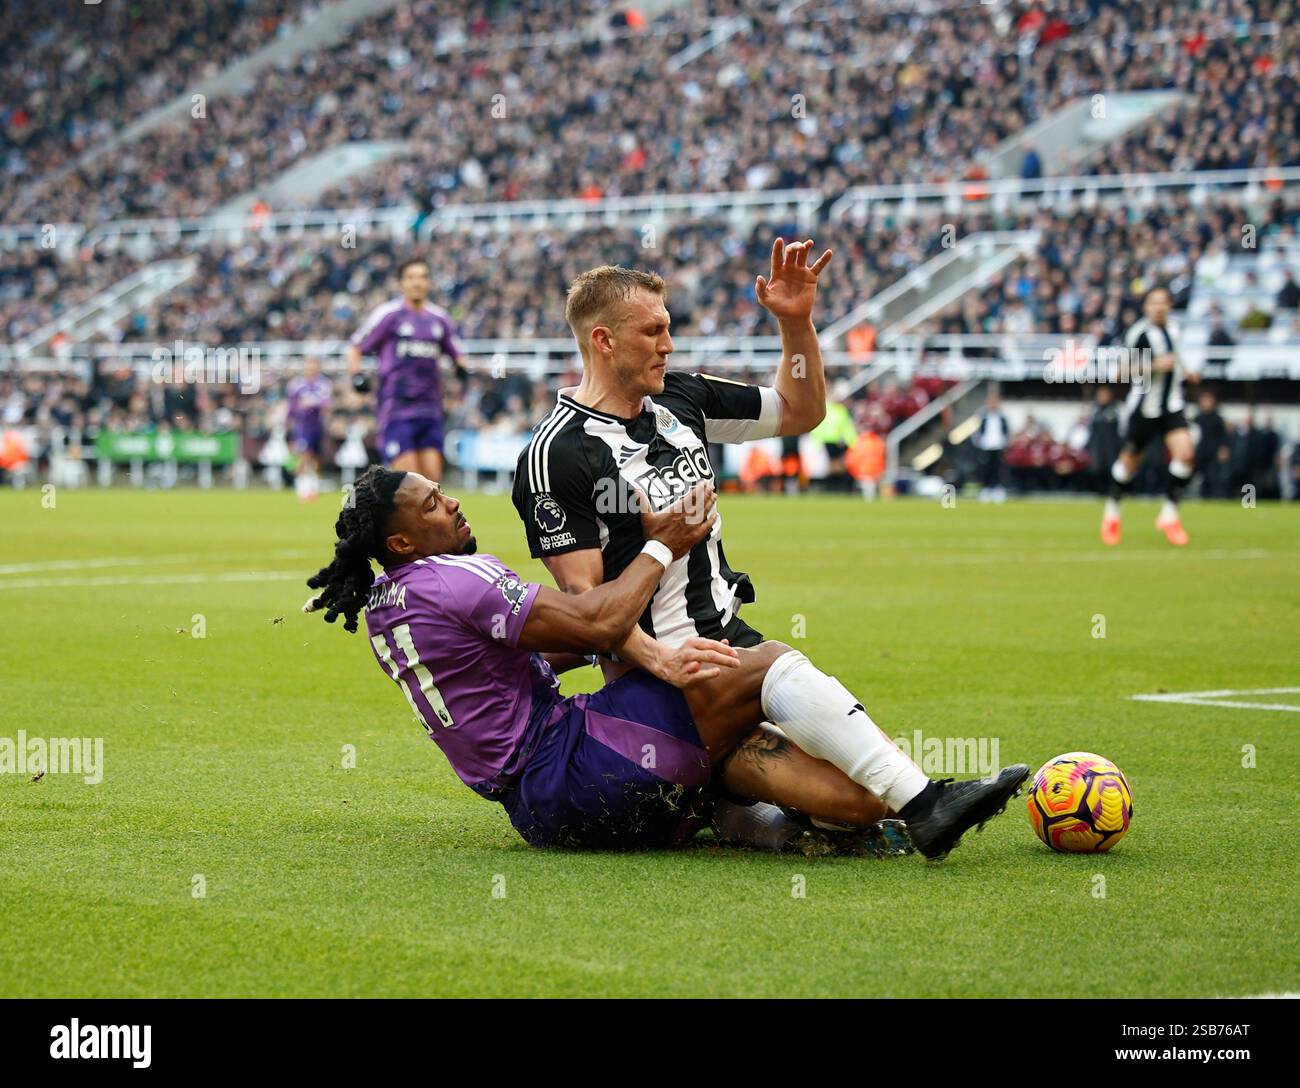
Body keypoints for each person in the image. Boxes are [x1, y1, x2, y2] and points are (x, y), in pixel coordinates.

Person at [510, 244, 1028, 856]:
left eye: (669, 328)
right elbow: (586, 606)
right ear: (602, 340)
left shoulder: (683, 400)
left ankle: (720, 801)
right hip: (662, 678)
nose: (668, 345)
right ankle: (929, 805)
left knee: (859, 800)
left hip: (729, 647)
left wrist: (795, 322)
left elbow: (801, 409)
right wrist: (662, 657)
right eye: (652, 332)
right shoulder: (558, 452)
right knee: (780, 664)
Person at [307, 467, 1028, 857]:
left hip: (546, 812)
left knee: (846, 792)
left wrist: (634, 644)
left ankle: (771, 823)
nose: (453, 504)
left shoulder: (385, 605)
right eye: (432, 506)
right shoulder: (456, 577)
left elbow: (542, 656)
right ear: (402, 541)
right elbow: (595, 618)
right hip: (575, 766)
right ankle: (927, 804)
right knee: (757, 663)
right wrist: (664, 544)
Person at [346, 257, 466, 480]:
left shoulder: (439, 319)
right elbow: (355, 347)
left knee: (432, 481)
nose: (417, 283)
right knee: (408, 480)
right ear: (401, 283)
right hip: (397, 408)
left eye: (422, 277)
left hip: (430, 408)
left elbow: (457, 353)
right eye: (411, 278)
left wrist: (462, 368)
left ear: (429, 283)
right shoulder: (389, 315)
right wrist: (357, 377)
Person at [1101, 286, 1200, 546]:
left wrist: (1188, 373)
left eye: (1162, 303)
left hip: (1171, 406)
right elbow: (1120, 374)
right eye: (1152, 303)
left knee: (1187, 454)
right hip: (1144, 409)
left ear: (1169, 306)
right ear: (1146, 307)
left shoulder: (1175, 329)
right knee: (1128, 466)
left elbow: (1177, 359)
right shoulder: (1139, 334)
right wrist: (1155, 365)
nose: (1158, 307)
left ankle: (1169, 514)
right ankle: (1112, 513)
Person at [285, 357, 331, 502]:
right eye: (309, 365)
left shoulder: (323, 384)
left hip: (318, 425)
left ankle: (314, 487)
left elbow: (326, 402)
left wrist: (312, 403)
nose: (311, 368)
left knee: (318, 459)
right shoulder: (297, 384)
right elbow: (291, 407)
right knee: (303, 456)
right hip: (303, 426)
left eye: (314, 365)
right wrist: (287, 425)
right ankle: (302, 489)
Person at [972, 391, 1009, 502]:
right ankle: (986, 489)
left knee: (997, 469)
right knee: (985, 469)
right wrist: (979, 443)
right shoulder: (983, 417)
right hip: (986, 446)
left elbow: (1006, 432)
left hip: (998, 446)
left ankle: (997, 489)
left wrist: (1005, 443)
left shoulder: (1002, 417)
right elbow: (977, 432)